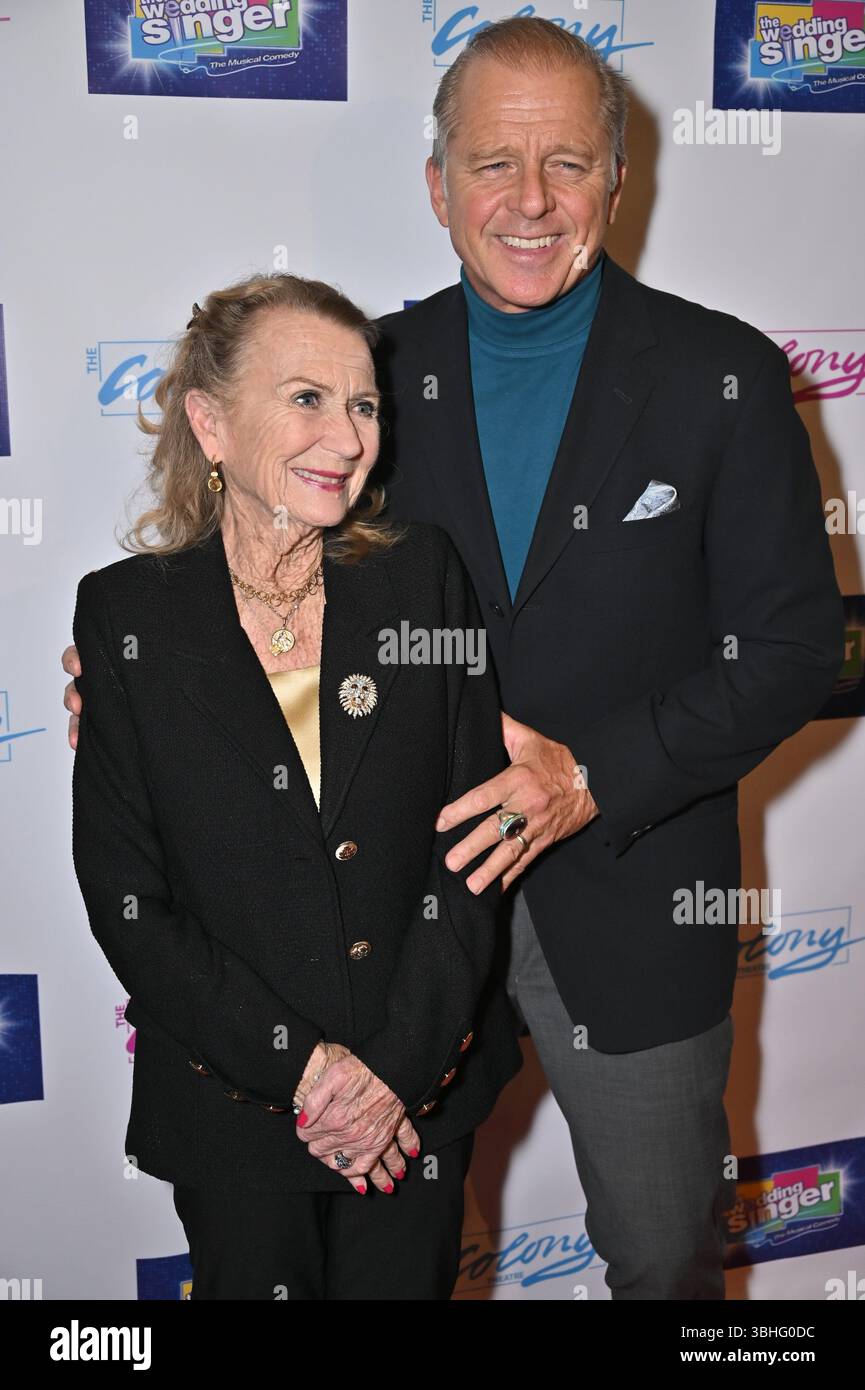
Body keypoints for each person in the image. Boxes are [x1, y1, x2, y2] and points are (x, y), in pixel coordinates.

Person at [66, 19, 845, 1300]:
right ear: (436, 185)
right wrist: (144, 681)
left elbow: (795, 645)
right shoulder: (365, 379)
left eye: (566, 163)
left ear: (616, 177)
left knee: (661, 1258)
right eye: (492, 164)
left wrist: (589, 778)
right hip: (383, 926)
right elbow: (247, 571)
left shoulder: (723, 375)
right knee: (392, 1262)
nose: (529, 201)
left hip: (632, 904)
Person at [68, 272, 522, 1301]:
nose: (347, 436)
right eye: (306, 398)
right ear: (211, 424)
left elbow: (473, 844)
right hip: (232, 1106)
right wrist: (307, 1073)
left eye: (363, 404)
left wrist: (391, 1072)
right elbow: (128, 897)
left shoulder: (421, 576)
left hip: (414, 1099)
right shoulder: (130, 616)